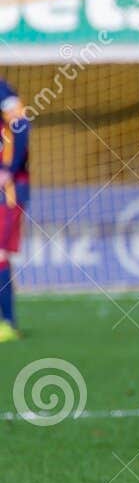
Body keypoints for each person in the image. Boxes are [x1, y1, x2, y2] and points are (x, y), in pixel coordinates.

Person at [0, 81, 29, 341]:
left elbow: (21, 123)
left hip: (7, 194)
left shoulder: (4, 93)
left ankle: (7, 323)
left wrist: (7, 171)